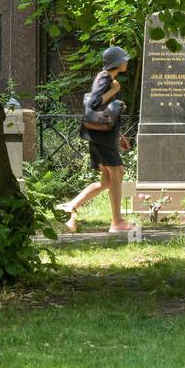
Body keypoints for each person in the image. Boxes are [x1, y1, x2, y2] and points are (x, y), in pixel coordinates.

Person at [58, 45, 136, 233]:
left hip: (103, 137)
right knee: (117, 174)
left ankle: (71, 205)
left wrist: (119, 136)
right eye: (124, 59)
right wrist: (114, 91)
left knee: (107, 181)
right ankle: (117, 223)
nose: (127, 61)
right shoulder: (106, 78)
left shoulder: (107, 78)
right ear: (117, 62)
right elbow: (93, 104)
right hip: (101, 138)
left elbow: (105, 112)